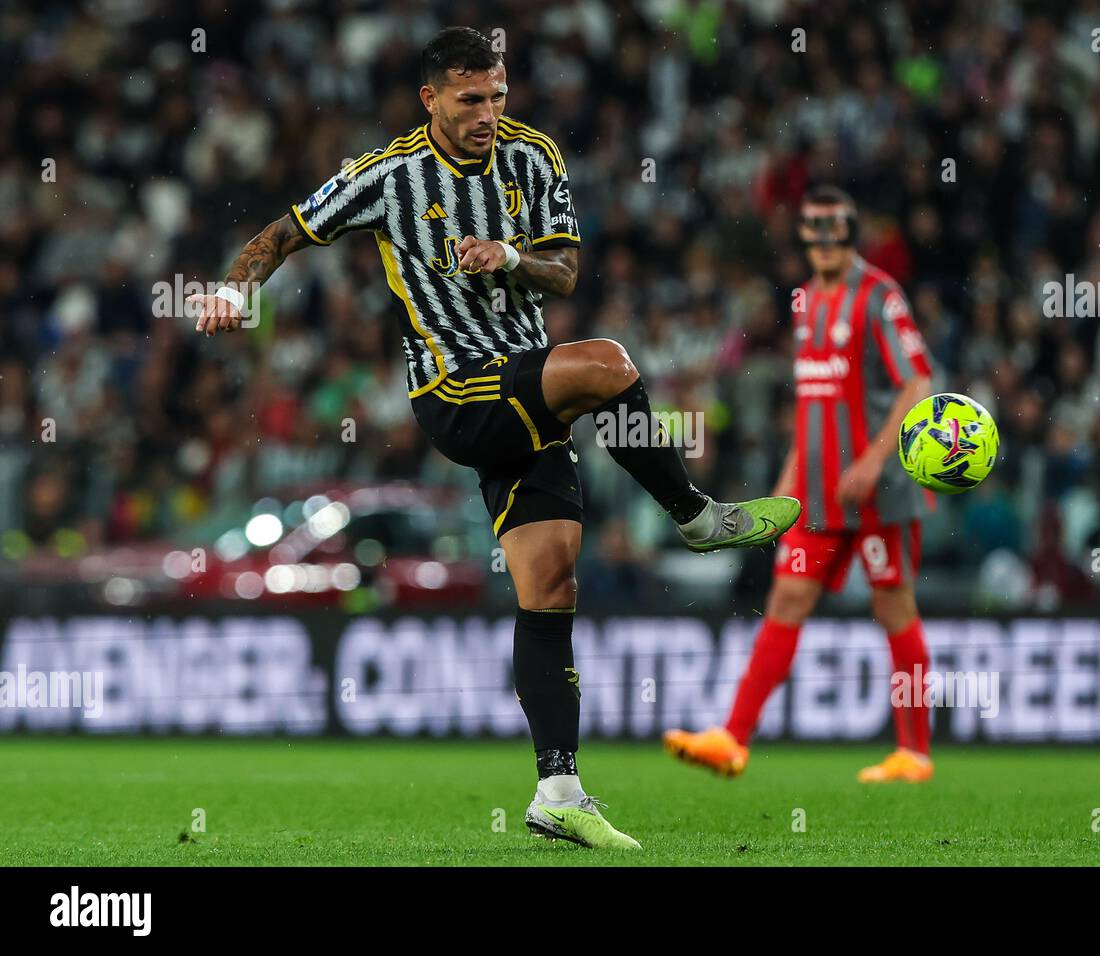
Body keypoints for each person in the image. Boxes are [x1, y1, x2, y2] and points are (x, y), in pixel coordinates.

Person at [186, 27, 800, 849]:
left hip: (523, 387)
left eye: (498, 94)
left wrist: (508, 255)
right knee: (610, 366)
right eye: (470, 98)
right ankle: (694, 516)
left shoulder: (534, 156)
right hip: (454, 391)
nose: (488, 112)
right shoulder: (386, 174)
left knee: (551, 585)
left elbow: (563, 272)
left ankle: (559, 789)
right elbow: (282, 235)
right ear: (430, 98)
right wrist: (235, 292)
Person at [664, 185, 937, 783]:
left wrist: (869, 462)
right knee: (785, 599)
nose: (824, 240)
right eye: (813, 228)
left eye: (835, 227)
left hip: (879, 491)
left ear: (851, 230)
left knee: (893, 605)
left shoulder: (879, 297)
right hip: (816, 494)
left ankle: (914, 753)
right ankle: (732, 740)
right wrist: (786, 491)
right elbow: (814, 407)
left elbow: (917, 383)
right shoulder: (808, 302)